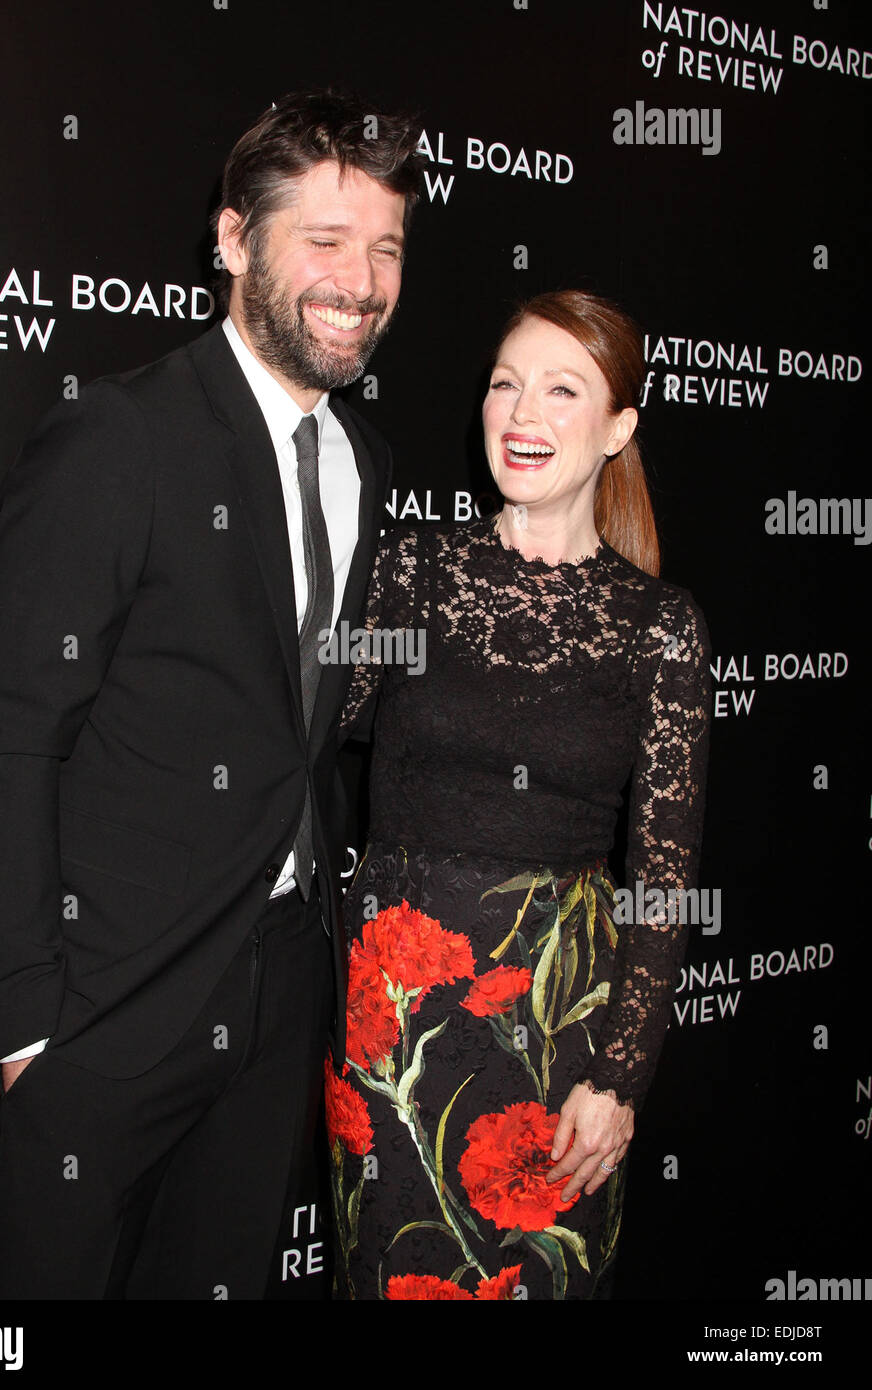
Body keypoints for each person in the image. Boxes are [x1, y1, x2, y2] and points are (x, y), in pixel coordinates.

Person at [0, 89, 421, 1299]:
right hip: (103, 1005)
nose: (359, 281)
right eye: (323, 241)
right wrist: (21, 1031)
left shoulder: (364, 459)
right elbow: (11, 742)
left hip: (277, 998)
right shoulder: (119, 437)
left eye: (384, 249)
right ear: (231, 240)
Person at [324, 289, 710, 1300]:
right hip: (393, 1021)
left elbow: (663, 879)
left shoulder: (657, 628)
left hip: (557, 1032)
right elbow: (304, 734)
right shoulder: (409, 571)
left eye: (559, 389)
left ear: (618, 427)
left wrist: (620, 1077)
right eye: (503, 385)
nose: (520, 412)